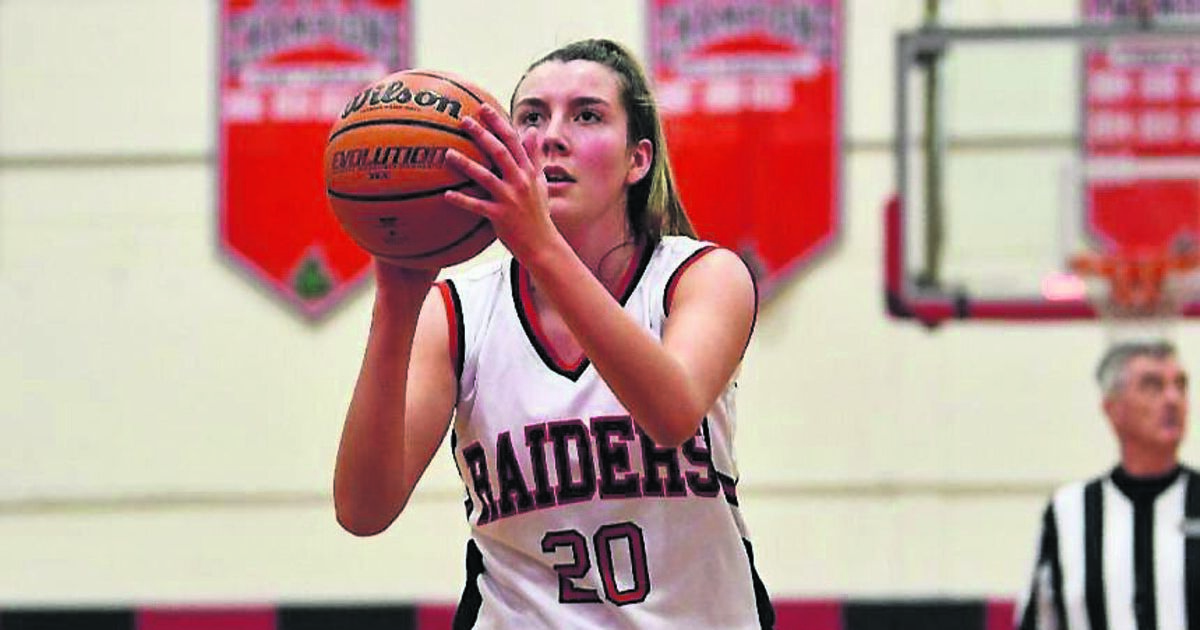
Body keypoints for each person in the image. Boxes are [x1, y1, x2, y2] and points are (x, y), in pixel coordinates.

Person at [333, 38, 775, 629]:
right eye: (532, 118)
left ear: (636, 160)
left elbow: (670, 415)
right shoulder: (461, 311)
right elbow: (363, 510)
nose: (551, 136)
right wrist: (397, 296)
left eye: (587, 115)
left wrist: (538, 244)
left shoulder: (701, 277)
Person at [1015, 340, 1200, 630]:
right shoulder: (1068, 511)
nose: (1172, 399)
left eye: (1180, 385)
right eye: (1152, 386)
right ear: (1113, 409)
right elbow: (1039, 620)